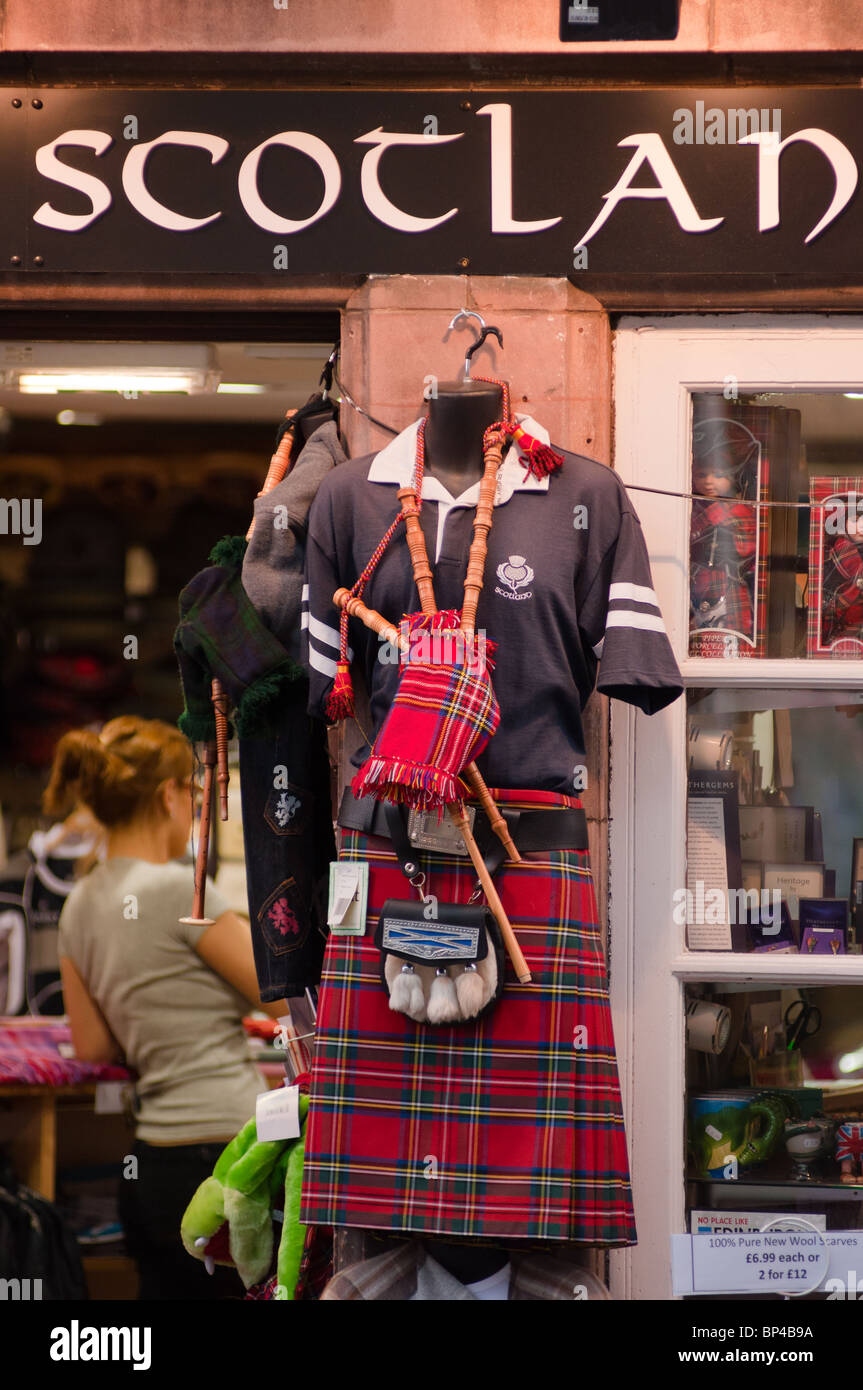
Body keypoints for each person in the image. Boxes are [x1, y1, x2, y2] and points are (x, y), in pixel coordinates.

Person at [44, 715, 287, 1300]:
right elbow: (277, 990)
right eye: (196, 792)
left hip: (151, 1165)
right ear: (168, 795)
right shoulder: (183, 889)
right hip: (228, 1153)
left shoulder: (78, 904)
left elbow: (94, 1047)